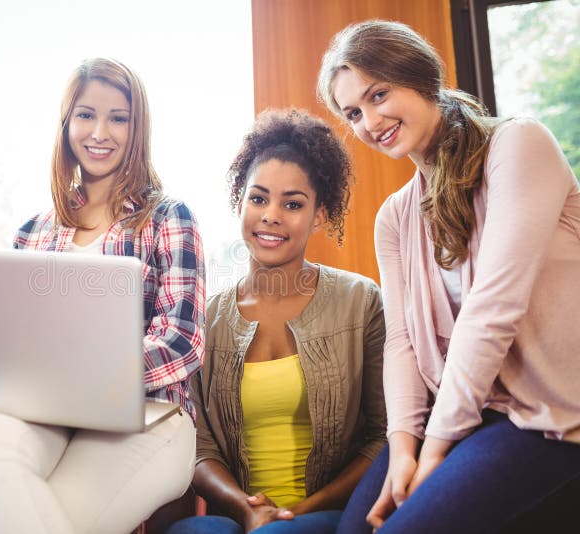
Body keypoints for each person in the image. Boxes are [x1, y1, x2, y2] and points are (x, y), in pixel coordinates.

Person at [317, 19, 580, 534]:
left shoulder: (518, 146)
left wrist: (435, 449)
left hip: (552, 416)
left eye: (379, 94)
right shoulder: (394, 217)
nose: (370, 121)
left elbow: (492, 308)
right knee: (353, 530)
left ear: (419, 76)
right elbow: (402, 344)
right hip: (473, 412)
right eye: (353, 112)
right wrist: (403, 448)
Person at [0, 58, 206, 534]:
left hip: (149, 418)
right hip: (49, 415)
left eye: (119, 118)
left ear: (138, 126)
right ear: (66, 124)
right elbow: (13, 343)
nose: (100, 132)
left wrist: (86, 374)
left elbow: (182, 341)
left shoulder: (168, 217)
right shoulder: (32, 233)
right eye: (86, 115)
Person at [168, 109, 386, 534]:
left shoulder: (359, 302)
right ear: (240, 201)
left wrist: (297, 513)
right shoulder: (207, 318)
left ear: (320, 215)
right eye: (258, 198)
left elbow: (383, 436)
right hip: (239, 516)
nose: (271, 215)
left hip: (328, 514)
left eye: (292, 204)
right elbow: (199, 447)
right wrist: (245, 509)